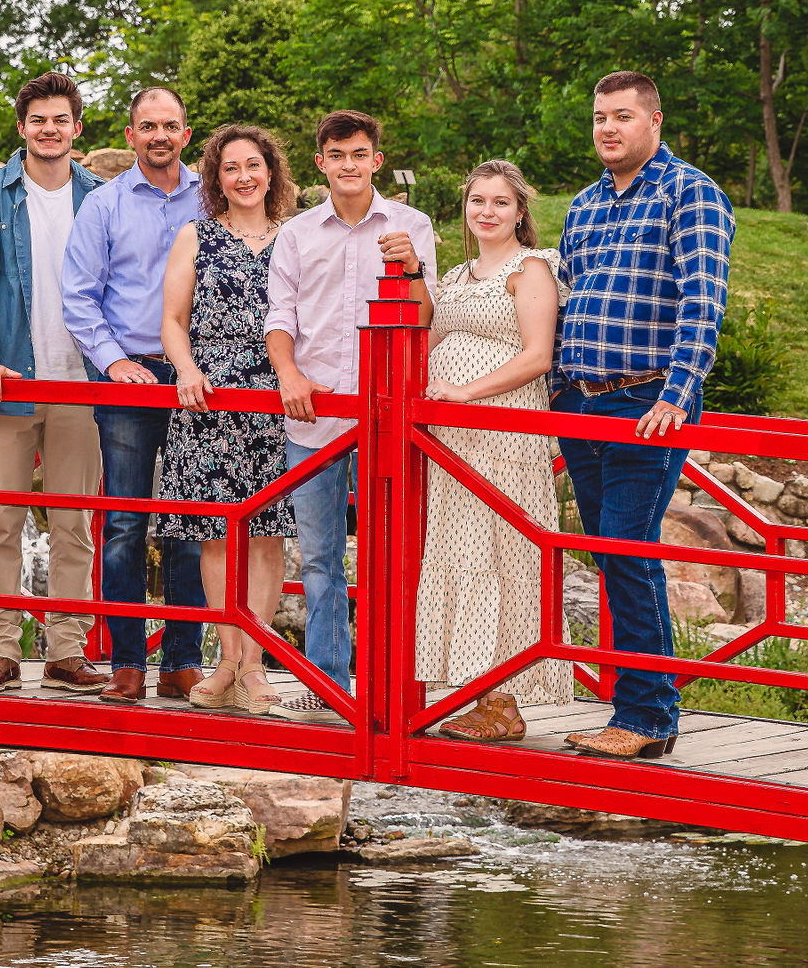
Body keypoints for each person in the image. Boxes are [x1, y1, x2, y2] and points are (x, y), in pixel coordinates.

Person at [554, 71, 733, 760]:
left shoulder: (691, 193)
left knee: (629, 551)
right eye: (600, 116)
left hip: (646, 402)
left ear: (654, 122)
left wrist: (677, 394)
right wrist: (557, 390)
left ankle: (649, 714)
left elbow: (702, 301)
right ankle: (638, 706)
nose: (608, 127)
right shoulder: (585, 205)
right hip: (581, 404)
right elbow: (570, 296)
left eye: (622, 116)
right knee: (610, 553)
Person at [264, 110, 437, 721]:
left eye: (359, 154)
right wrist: (288, 375)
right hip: (314, 419)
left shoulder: (412, 227)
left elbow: (425, 322)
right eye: (337, 155)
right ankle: (330, 686)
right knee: (318, 558)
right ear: (320, 163)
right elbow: (279, 318)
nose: (348, 165)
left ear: (376, 161)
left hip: (389, 425)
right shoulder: (297, 234)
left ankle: (390, 686)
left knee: (390, 558)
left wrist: (413, 268)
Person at [0, 71, 110, 695]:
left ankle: (68, 652)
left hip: (82, 383)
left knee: (73, 524)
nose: (49, 130)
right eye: (38, 120)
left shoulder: (99, 195)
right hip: (6, 381)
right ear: (23, 128)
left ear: (76, 128)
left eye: (60, 120)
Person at [413, 160, 571, 740]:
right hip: (453, 443)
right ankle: (480, 692)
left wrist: (464, 392)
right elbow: (425, 329)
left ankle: (504, 698)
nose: (486, 211)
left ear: (520, 212)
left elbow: (537, 356)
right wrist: (410, 271)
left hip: (505, 434)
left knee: (506, 557)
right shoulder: (457, 276)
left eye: (500, 203)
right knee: (464, 554)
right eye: (477, 200)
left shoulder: (530, 270)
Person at [62, 87, 206, 704]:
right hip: (128, 375)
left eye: (169, 125)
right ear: (129, 136)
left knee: (194, 520)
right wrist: (115, 362)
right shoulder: (104, 204)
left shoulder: (212, 195)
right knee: (123, 520)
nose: (159, 136)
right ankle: (126, 662)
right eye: (147, 126)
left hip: (200, 378)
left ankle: (182, 660)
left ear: (186, 133)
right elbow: (78, 294)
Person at [159, 125, 296, 714]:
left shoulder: (295, 237)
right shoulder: (197, 236)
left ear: (272, 173)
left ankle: (257, 664)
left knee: (265, 537)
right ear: (215, 179)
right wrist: (186, 369)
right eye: (231, 167)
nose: (244, 176)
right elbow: (171, 320)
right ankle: (226, 661)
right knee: (214, 536)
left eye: (254, 165)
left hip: (274, 401)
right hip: (209, 400)